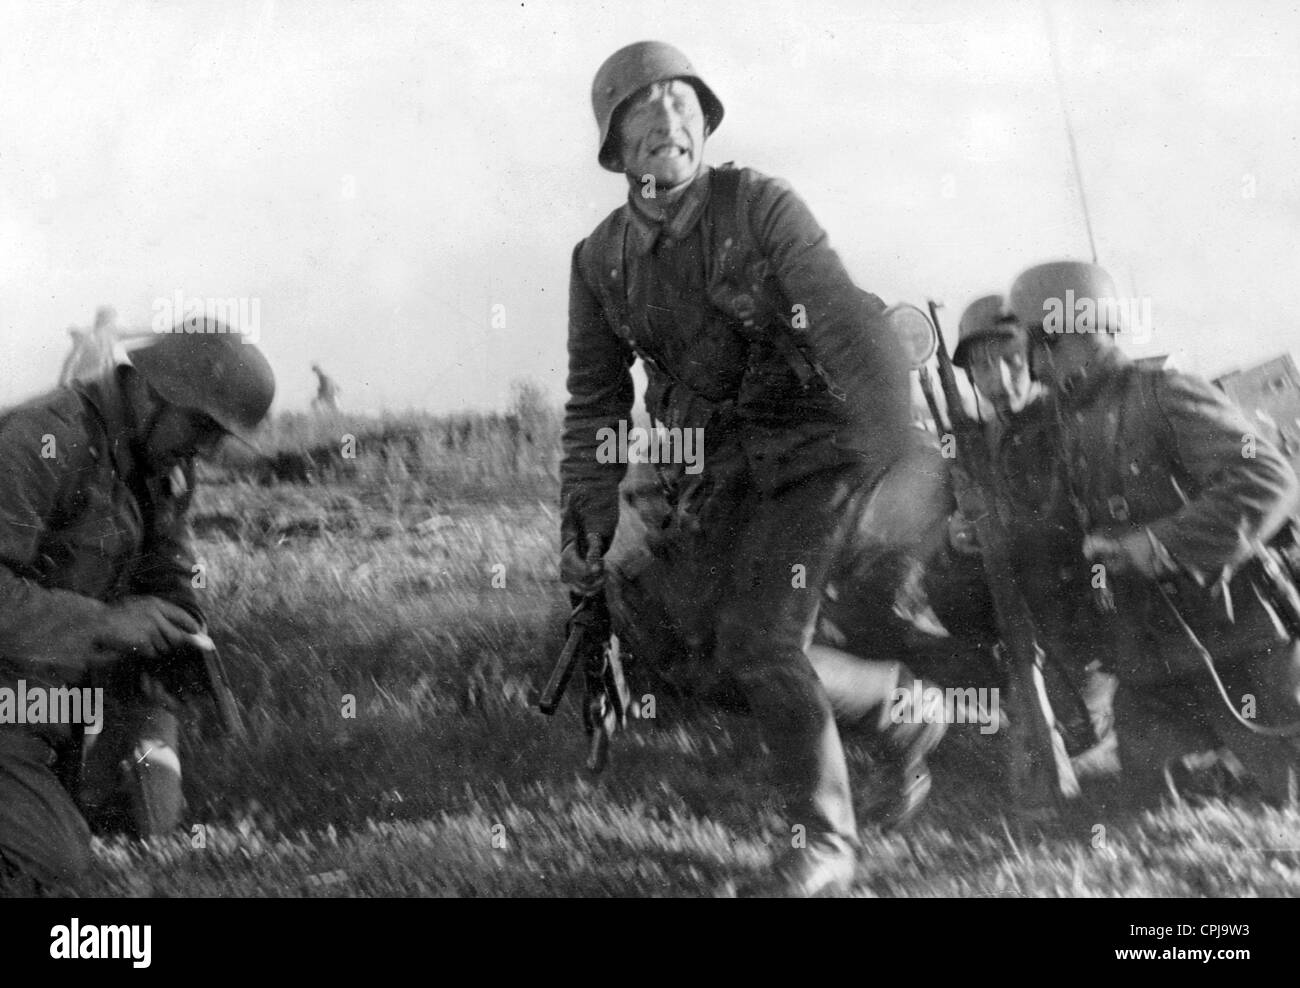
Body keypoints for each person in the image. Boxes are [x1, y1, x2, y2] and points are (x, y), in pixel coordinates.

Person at [560, 41, 949, 896]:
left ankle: (827, 842)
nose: (670, 119)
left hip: (821, 450)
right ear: (617, 149)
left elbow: (846, 322)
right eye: (645, 109)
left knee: (763, 638)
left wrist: (897, 458)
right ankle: (900, 702)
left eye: (684, 104)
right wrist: (588, 511)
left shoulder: (758, 205)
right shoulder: (600, 263)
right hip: (723, 472)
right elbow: (594, 402)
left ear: (704, 127)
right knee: (703, 648)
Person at [1009, 260, 1300, 806]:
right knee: (1136, 797)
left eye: (1039, 347)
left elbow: (1267, 478)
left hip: (1240, 645)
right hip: (1154, 663)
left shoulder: (1162, 393)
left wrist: (1155, 544)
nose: (1034, 367)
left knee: (1283, 788)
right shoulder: (1070, 424)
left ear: (1073, 334)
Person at [0, 322, 275, 894]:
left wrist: (178, 621)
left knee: (148, 813)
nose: (206, 448)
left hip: (58, 696)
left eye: (217, 435)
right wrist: (104, 624)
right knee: (49, 864)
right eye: (202, 425)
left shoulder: (163, 464)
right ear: (152, 390)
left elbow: (167, 564)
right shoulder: (44, 440)